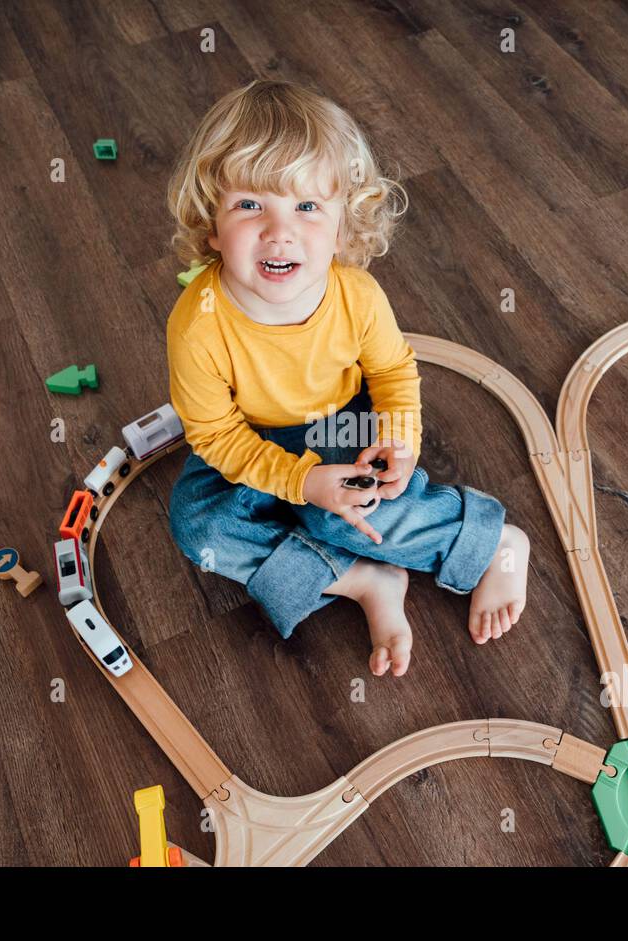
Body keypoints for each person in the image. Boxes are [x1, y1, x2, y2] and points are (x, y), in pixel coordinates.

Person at [165, 79, 529, 677]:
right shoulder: (196, 326)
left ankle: (495, 544)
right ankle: (364, 578)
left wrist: (400, 441)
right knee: (197, 526)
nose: (279, 231)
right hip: (245, 441)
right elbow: (215, 437)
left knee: (354, 511)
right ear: (211, 225)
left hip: (342, 422)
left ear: (341, 229)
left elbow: (392, 372)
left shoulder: (355, 295)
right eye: (249, 205)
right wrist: (300, 481)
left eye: (307, 207)